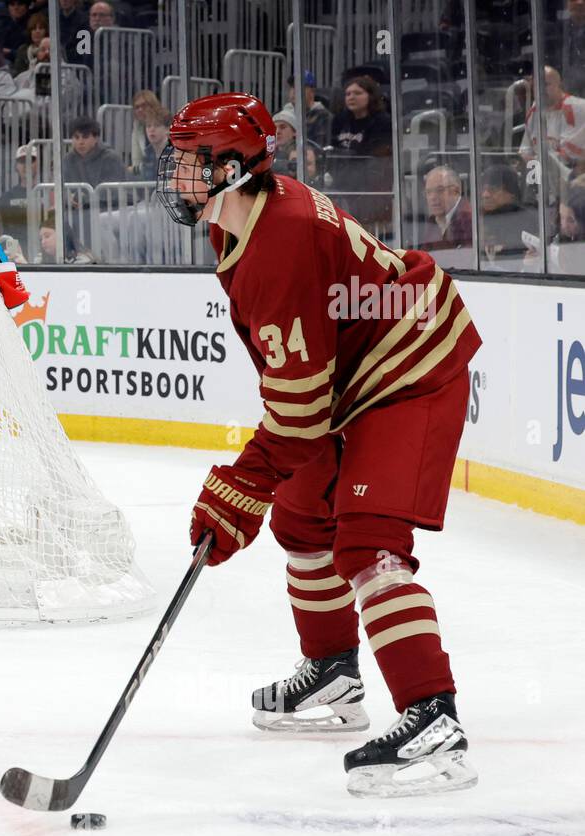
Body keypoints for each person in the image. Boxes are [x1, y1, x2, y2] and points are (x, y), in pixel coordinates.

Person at [158, 93, 481, 798]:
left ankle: (434, 718)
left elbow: (299, 416)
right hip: (353, 375)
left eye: (189, 162)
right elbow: (298, 382)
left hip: (411, 371)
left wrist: (239, 483)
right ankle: (334, 670)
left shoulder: (279, 240)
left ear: (232, 168)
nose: (175, 175)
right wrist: (258, 485)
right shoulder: (238, 221)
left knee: (368, 545)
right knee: (302, 516)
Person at [329, 75, 393, 230]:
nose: (351, 97)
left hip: (370, 187)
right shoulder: (340, 120)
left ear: (370, 96)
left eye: (357, 93)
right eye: (348, 94)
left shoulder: (382, 121)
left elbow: (376, 154)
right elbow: (332, 149)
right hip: (343, 183)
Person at [518, 65, 585, 175]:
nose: (541, 90)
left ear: (559, 85)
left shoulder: (578, 108)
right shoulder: (534, 112)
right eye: (536, 85)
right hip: (544, 183)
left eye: (546, 84)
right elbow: (525, 152)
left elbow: (569, 160)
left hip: (576, 184)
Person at [478, 163, 536, 270]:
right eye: (483, 189)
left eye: (493, 189)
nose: (485, 195)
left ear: (511, 193)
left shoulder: (530, 223)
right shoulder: (478, 220)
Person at [418, 164, 473, 270]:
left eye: (440, 190)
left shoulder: (468, 220)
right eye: (429, 192)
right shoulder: (434, 220)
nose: (433, 197)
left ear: (456, 191)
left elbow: (465, 262)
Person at [63, 115, 125, 191]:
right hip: (76, 202)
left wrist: (81, 198)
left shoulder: (111, 158)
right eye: (76, 137)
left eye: (85, 137)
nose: (80, 142)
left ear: (96, 138)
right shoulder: (68, 159)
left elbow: (111, 193)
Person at [0, 144, 39, 243]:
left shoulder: (47, 193)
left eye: (30, 160)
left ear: (37, 164)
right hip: (15, 253)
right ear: (16, 166)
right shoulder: (6, 198)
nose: (25, 165)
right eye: (22, 161)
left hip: (44, 253)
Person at [283, 70, 333, 148]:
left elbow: (319, 147)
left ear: (312, 91)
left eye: (299, 87)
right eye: (292, 87)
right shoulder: (283, 114)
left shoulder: (323, 116)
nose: (294, 91)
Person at [129, 90, 169, 180]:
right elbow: (137, 159)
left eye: (144, 105)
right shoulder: (137, 127)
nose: (140, 109)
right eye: (137, 107)